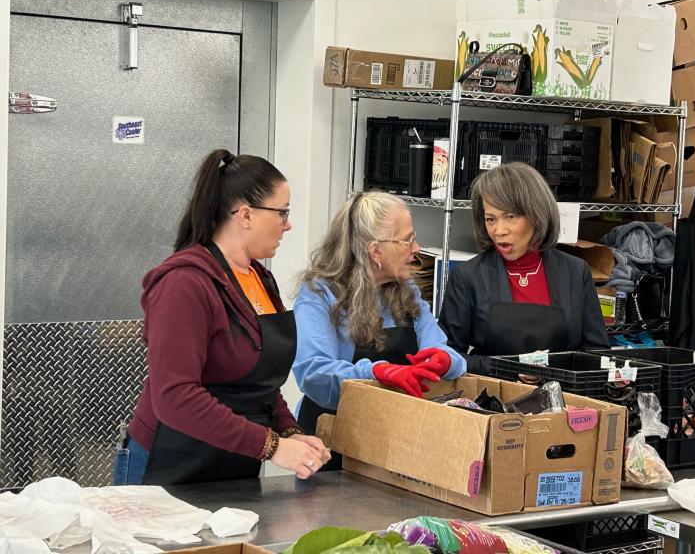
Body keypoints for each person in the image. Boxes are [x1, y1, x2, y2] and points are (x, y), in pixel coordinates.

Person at [115, 149, 330, 485]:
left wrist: (289, 431)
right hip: (169, 465)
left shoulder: (259, 279)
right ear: (245, 215)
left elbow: (258, 382)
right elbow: (175, 397)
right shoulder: (184, 283)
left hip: (232, 467)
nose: (288, 224)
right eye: (282, 212)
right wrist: (272, 447)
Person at [292, 191, 467, 468]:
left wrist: (446, 360)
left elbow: (444, 350)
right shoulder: (319, 295)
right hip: (332, 442)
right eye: (407, 240)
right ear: (375, 251)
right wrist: (374, 373)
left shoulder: (406, 291)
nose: (417, 248)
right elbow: (313, 373)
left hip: (395, 441)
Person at [439, 162, 608, 373]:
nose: (499, 230)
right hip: (491, 398)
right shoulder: (468, 277)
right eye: (491, 219)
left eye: (510, 217)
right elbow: (449, 357)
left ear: (536, 215)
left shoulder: (574, 272)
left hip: (564, 399)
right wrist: (508, 369)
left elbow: (596, 353)